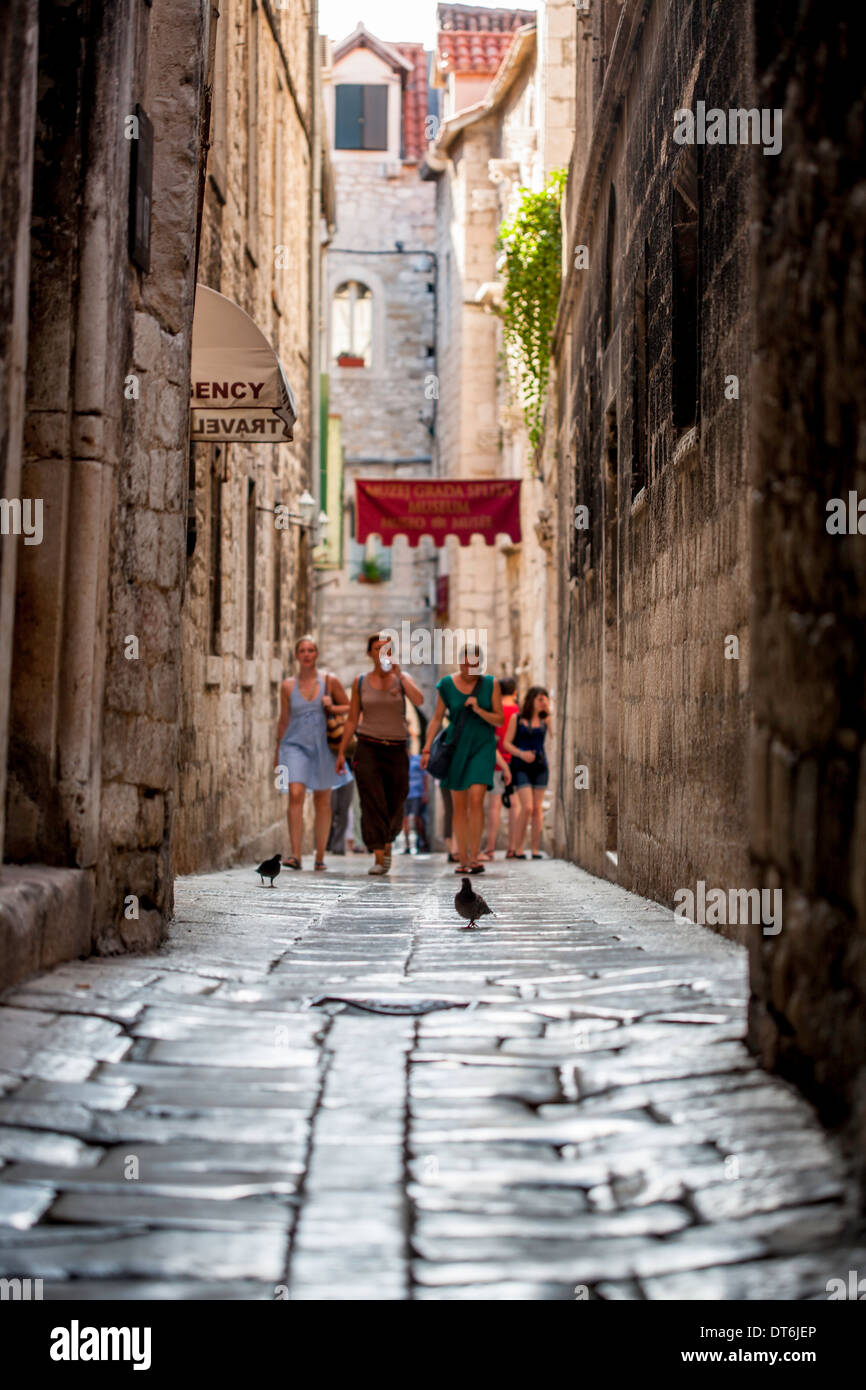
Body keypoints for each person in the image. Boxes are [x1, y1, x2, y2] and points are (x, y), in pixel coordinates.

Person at [336, 634, 424, 875]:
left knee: (397, 800)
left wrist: (400, 676)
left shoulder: (402, 678)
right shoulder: (360, 681)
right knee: (371, 801)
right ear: (370, 654)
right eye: (377, 649)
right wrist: (341, 752)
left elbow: (419, 699)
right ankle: (377, 855)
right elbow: (352, 718)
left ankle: (387, 842)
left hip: (396, 748)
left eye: (387, 648)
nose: (382, 652)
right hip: (368, 747)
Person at [421, 645, 502, 874]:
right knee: (459, 805)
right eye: (465, 664)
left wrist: (478, 709)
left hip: (482, 745)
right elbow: (437, 719)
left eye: (473, 665)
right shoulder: (447, 685)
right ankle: (463, 858)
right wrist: (426, 748)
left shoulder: (490, 684)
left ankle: (474, 856)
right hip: (456, 746)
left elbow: (499, 719)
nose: (469, 669)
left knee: (476, 799)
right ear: (459, 663)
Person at [275, 635, 353, 871]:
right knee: (295, 793)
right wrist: (277, 751)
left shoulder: (331, 681)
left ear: (316, 654)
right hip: (294, 745)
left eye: (311, 650)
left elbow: (352, 707)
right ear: (297, 655)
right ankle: (296, 855)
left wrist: (333, 706)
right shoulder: (287, 686)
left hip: (323, 746)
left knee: (323, 800)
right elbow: (284, 719)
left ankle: (320, 856)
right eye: (302, 650)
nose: (307, 654)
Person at [504, 685, 551, 860]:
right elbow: (507, 743)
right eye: (540, 699)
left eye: (545, 699)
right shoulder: (517, 719)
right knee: (527, 807)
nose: (543, 702)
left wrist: (549, 712)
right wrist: (521, 754)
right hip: (521, 766)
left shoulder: (546, 721)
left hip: (540, 766)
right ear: (531, 700)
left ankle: (535, 849)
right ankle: (518, 848)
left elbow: (554, 734)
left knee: (537, 809)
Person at [482, 675, 519, 859]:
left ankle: (490, 849)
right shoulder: (519, 712)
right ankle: (512, 848)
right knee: (514, 806)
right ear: (515, 692)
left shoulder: (494, 713)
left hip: (495, 762)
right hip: (515, 763)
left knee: (494, 807)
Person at [402, 748, 430, 853]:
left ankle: (422, 843)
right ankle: (407, 845)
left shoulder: (417, 760)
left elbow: (425, 776)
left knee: (417, 820)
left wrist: (425, 793)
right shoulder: (400, 762)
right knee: (404, 820)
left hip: (417, 794)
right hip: (404, 795)